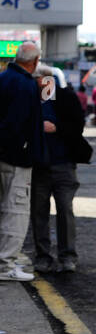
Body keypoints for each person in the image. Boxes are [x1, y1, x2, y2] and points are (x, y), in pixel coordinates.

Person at [30, 65, 90, 274]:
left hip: (63, 163)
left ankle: (67, 256)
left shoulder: (65, 98)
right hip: (40, 166)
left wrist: (57, 128)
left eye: (38, 81)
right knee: (39, 212)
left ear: (47, 80)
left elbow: (78, 127)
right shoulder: (33, 100)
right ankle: (43, 256)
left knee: (65, 209)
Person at [0, 40, 46, 282]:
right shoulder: (25, 84)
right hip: (16, 159)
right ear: (35, 61)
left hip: (3, 155)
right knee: (15, 211)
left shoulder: (3, 77)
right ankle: (5, 264)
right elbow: (18, 123)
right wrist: (23, 149)